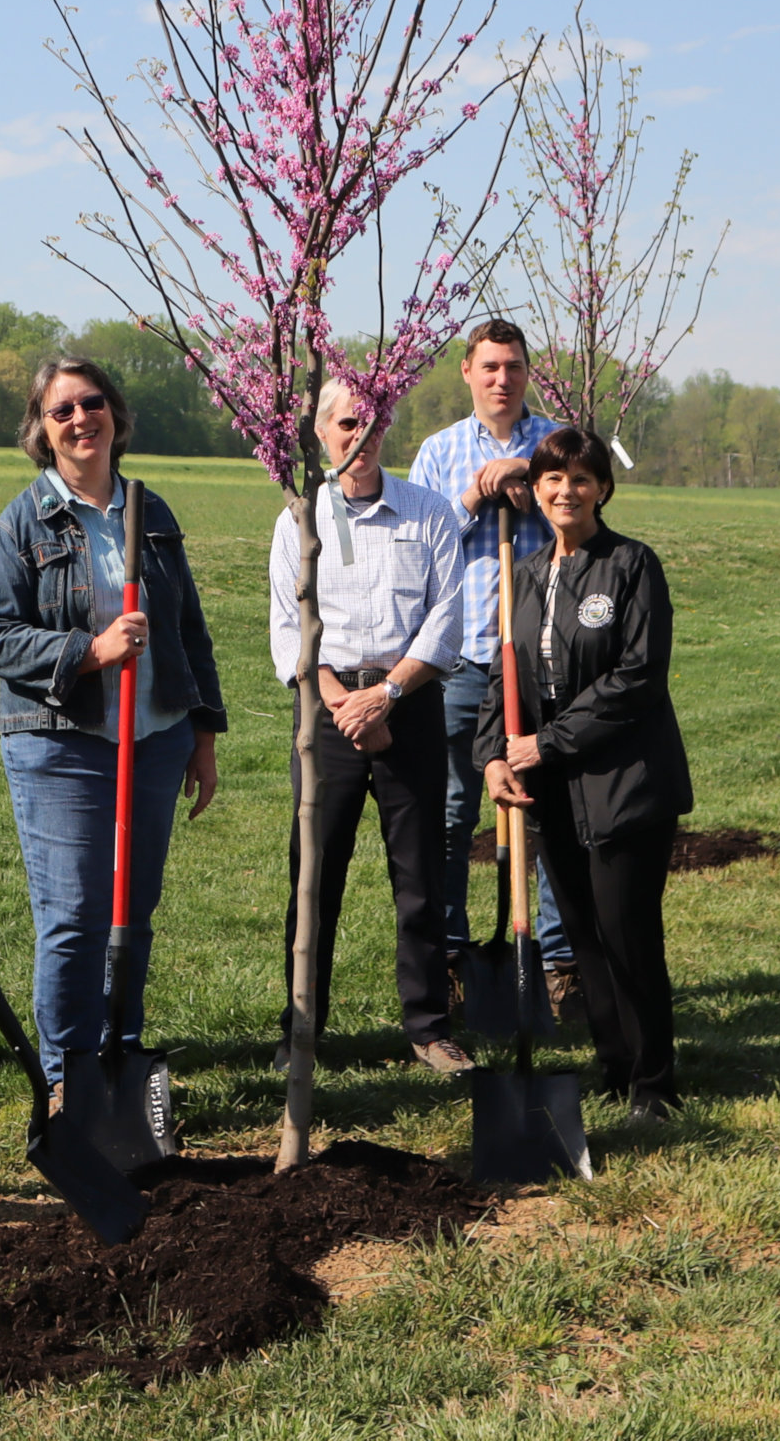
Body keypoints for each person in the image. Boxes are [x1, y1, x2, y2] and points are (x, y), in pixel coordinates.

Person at [0, 355, 223, 1097]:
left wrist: (202, 734)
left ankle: (124, 1053)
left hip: (154, 738)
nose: (81, 420)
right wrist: (90, 651)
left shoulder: (153, 512)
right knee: (76, 914)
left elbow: (189, 631)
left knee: (133, 911)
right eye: (61, 412)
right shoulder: (24, 521)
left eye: (92, 403)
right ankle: (68, 1078)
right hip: (60, 740)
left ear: (114, 413)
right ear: (42, 433)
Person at [476, 425, 693, 1122]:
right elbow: (502, 676)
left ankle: (655, 1086)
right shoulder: (529, 572)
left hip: (625, 784)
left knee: (628, 936)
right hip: (552, 792)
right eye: (552, 479)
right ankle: (616, 1064)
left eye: (581, 478)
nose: (566, 490)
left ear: (602, 487)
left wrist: (548, 743)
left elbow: (637, 679)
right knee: (584, 938)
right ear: (535, 491)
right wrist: (493, 756)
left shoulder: (631, 565)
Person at [268, 379, 474, 1074]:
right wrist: (340, 702)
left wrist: (386, 695)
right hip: (326, 714)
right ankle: (300, 1032)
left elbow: (448, 619)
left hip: (408, 705)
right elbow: (287, 626)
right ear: (322, 431)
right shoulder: (302, 518)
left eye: (374, 421)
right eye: (348, 422)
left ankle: (427, 1027)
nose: (362, 435)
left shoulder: (428, 511)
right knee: (313, 877)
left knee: (420, 877)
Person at [408, 318, 577, 1013]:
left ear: (526, 373)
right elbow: (414, 543)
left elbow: (585, 505)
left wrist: (530, 474)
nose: (501, 378)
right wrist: (475, 497)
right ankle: (451, 954)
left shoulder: (556, 444)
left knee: (548, 809)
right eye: (489, 367)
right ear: (467, 373)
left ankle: (558, 960)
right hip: (461, 658)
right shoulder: (439, 451)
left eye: (512, 366)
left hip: (542, 659)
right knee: (452, 810)